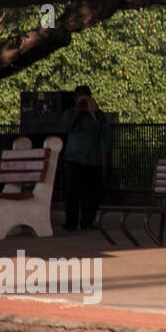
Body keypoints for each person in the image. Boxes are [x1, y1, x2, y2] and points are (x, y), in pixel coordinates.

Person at [59, 84, 112, 232]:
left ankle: (87, 221)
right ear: (75, 99)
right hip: (73, 158)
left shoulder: (98, 115)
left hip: (93, 158)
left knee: (92, 191)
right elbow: (66, 128)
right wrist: (78, 112)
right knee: (72, 191)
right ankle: (71, 221)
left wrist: (107, 149)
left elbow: (106, 133)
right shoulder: (69, 113)